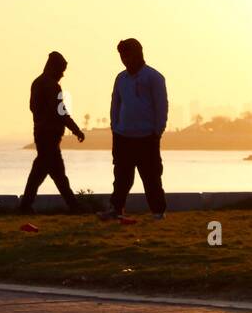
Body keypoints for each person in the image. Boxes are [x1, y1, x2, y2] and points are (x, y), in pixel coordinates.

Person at [101, 38, 168, 220]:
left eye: (127, 55)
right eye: (122, 56)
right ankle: (116, 209)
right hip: (123, 136)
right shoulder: (120, 78)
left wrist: (157, 131)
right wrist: (115, 127)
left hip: (147, 136)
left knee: (151, 176)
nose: (124, 59)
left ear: (138, 54)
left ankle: (158, 212)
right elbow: (115, 103)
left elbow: (161, 106)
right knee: (121, 177)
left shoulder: (154, 77)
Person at [18, 51, 85, 214]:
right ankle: (26, 205)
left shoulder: (37, 83)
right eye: (61, 70)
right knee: (44, 172)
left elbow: (33, 108)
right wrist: (76, 129)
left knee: (54, 173)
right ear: (53, 68)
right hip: (49, 136)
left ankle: (73, 206)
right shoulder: (52, 86)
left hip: (41, 134)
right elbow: (60, 112)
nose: (62, 75)